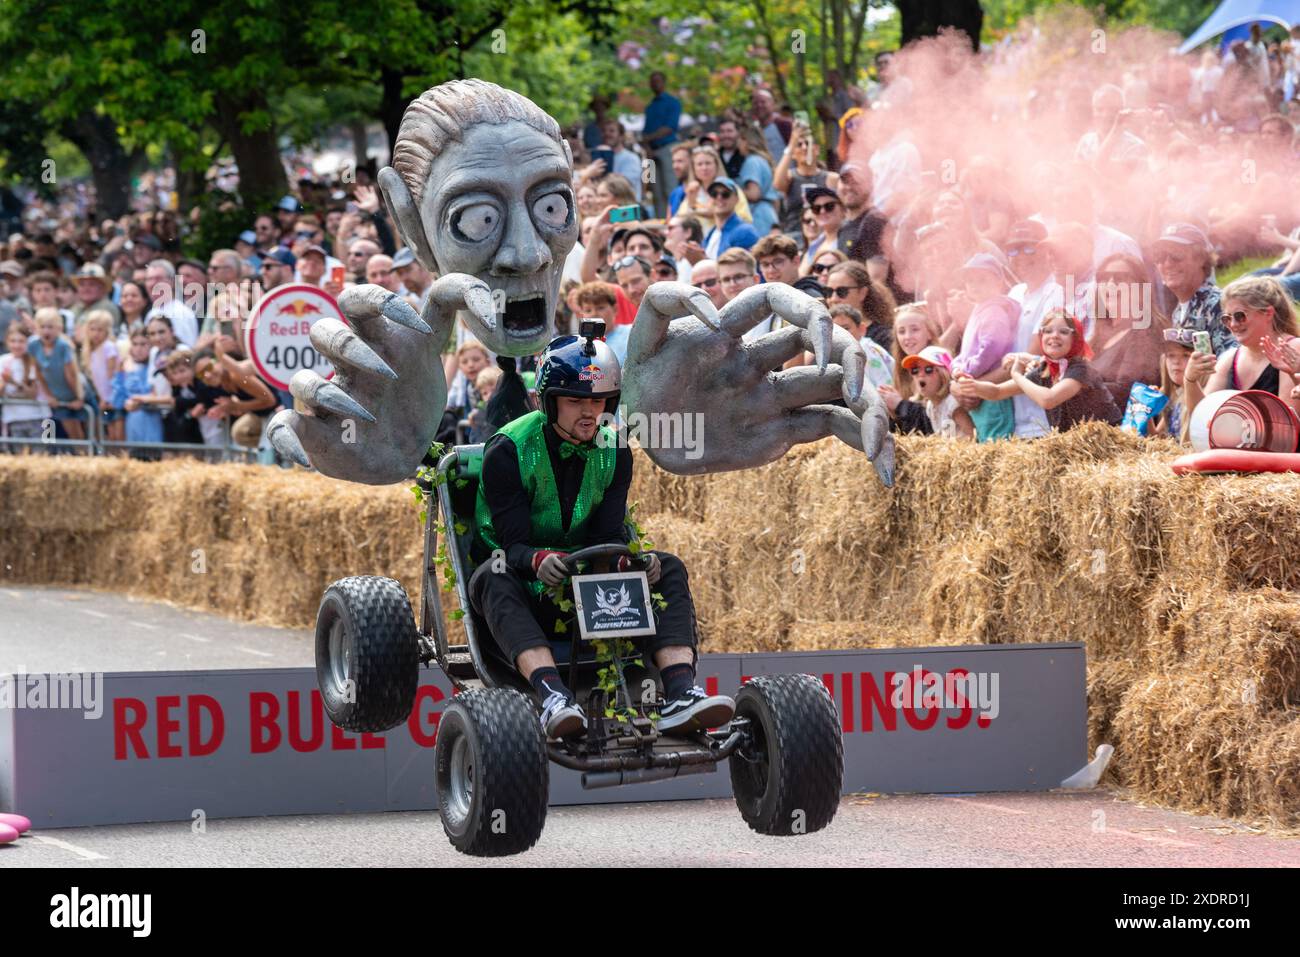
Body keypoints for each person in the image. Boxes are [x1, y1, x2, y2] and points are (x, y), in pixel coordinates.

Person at [470, 324, 735, 738]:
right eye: (576, 401)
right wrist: (537, 560)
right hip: (521, 577)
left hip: (588, 583)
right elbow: (511, 545)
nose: (590, 412)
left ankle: (680, 694)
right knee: (494, 575)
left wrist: (631, 560)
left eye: (600, 401)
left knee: (668, 566)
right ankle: (553, 697)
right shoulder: (507, 449)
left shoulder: (616, 447)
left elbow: (608, 533)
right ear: (548, 401)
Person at [970, 310, 1121, 432]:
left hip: (1105, 442)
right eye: (1048, 331)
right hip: (1078, 450)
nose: (1054, 336)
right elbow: (997, 392)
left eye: (1063, 331)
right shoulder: (1045, 370)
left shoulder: (1081, 369)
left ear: (1075, 339)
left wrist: (1017, 375)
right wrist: (972, 385)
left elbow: (1048, 400)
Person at [1186, 276, 1300, 420]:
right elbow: (1201, 417)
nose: (1233, 324)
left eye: (1240, 316)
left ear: (1268, 313)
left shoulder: (1292, 349)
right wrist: (1190, 380)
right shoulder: (1229, 359)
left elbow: (1287, 424)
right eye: (1226, 318)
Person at [947, 255, 1019, 443]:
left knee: (997, 440)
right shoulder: (981, 309)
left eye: (982, 280)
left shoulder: (995, 311)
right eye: (970, 281)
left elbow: (992, 346)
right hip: (978, 385)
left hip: (992, 392)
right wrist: (956, 367)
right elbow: (966, 351)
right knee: (984, 435)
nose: (975, 285)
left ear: (999, 281)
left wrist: (968, 371)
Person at [1089, 253, 1167, 411]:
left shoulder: (1145, 333)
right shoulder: (1100, 336)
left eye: (1120, 278)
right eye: (1103, 278)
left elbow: (1128, 392)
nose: (1110, 283)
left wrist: (1073, 386)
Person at [1154, 222, 1232, 356]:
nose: (1167, 263)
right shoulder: (1178, 312)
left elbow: (1230, 369)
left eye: (1176, 255)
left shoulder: (1220, 305)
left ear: (1200, 258)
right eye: (1160, 256)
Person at [28, 308, 85, 442]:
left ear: (59, 328)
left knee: (83, 430)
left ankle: (91, 457)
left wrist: (79, 397)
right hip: (56, 394)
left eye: (50, 327)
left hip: (76, 389)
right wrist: (49, 395)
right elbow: (38, 372)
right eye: (42, 327)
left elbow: (72, 374)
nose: (46, 331)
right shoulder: (33, 345)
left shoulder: (63, 346)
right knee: (70, 431)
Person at [111, 322, 169, 456]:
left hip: (154, 427)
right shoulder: (124, 367)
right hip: (133, 428)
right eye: (135, 344)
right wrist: (121, 372)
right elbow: (117, 400)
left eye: (143, 344)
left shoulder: (156, 367)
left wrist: (132, 372)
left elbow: (146, 393)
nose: (138, 349)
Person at [773, 121, 837, 236]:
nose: (804, 147)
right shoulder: (790, 177)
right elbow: (777, 184)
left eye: (808, 143)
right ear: (793, 153)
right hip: (795, 234)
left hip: (823, 235)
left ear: (816, 149)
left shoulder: (831, 178)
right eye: (799, 144)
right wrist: (792, 143)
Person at [901, 346, 972, 439]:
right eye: (915, 370)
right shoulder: (930, 406)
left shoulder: (952, 403)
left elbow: (972, 435)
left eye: (928, 369)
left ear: (943, 375)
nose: (920, 374)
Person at [0, 323, 51, 452]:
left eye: (21, 341)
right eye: (13, 341)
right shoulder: (2, 361)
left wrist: (13, 382)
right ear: (7, 342)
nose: (17, 345)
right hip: (13, 418)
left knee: (42, 456)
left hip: (40, 418)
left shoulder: (34, 361)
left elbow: (32, 394)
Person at [824, 261, 895, 351]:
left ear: (862, 293)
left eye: (842, 291)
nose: (833, 299)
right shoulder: (821, 333)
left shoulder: (884, 338)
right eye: (829, 291)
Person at [639, 72, 682, 218]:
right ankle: (661, 221)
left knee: (670, 188)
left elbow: (670, 127)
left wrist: (648, 139)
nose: (655, 84)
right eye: (652, 81)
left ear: (664, 82)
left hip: (668, 149)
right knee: (654, 190)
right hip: (651, 152)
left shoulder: (673, 102)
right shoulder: (650, 107)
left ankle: (676, 220)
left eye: (657, 80)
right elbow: (645, 132)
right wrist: (648, 148)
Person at [79, 310, 120, 442]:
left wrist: (108, 398)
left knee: (114, 433)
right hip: (102, 397)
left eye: (100, 330)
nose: (96, 333)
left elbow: (112, 375)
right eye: (92, 329)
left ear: (107, 331)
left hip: (112, 397)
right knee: (105, 432)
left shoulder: (108, 347)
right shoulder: (90, 351)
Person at [144, 259, 199, 347]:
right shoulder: (151, 313)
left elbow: (186, 351)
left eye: (158, 278)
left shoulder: (181, 313)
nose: (153, 284)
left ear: (172, 282)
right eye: (149, 279)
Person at [1152, 330, 1193, 443]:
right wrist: (1147, 411)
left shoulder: (1202, 396)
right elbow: (1156, 440)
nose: (1176, 361)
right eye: (1171, 355)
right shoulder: (1172, 394)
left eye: (1186, 355)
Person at [702, 178, 759, 257]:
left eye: (725, 194)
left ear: (737, 199)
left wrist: (699, 260)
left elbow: (738, 268)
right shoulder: (711, 233)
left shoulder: (744, 232)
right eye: (714, 194)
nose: (719, 198)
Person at [599, 119, 644, 202]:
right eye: (604, 131)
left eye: (611, 131)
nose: (607, 134)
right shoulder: (600, 158)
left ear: (621, 136)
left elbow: (624, 185)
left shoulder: (631, 158)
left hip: (627, 208)